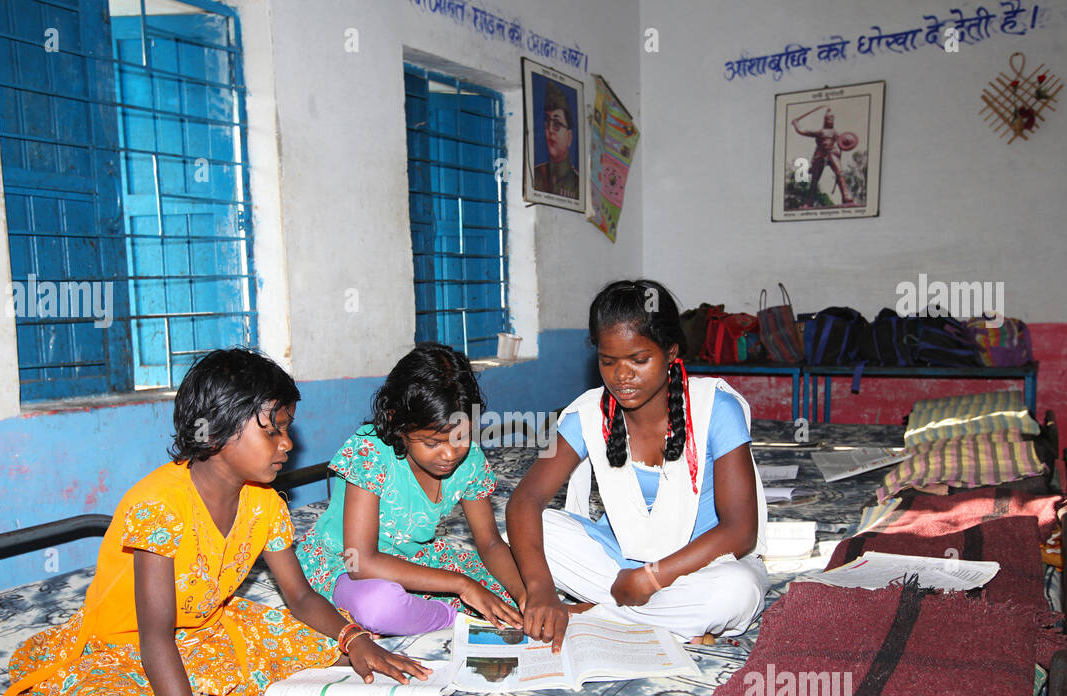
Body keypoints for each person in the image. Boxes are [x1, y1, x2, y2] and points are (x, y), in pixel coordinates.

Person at [0, 349, 429, 696]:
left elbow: (299, 597)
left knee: (343, 647)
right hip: (127, 645)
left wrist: (355, 639)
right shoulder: (160, 506)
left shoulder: (264, 503)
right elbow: (155, 635)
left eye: (287, 429)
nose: (288, 444)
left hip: (205, 630)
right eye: (273, 429)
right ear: (218, 430)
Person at [506, 279, 769, 649]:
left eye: (639, 360)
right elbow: (525, 499)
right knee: (524, 537)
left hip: (700, 568)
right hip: (618, 566)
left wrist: (652, 578)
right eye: (608, 361)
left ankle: (596, 614)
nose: (622, 375)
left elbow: (741, 531)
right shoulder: (585, 414)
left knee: (737, 592)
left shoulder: (715, 409)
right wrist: (540, 588)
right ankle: (668, 622)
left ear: (671, 351)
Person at [296, 343, 525, 636]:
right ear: (397, 422)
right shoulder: (372, 452)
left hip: (414, 561)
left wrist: (522, 594)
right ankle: (452, 618)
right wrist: (461, 584)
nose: (450, 454)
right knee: (378, 607)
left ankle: (423, 610)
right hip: (344, 562)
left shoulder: (471, 462)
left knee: (509, 594)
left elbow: (491, 543)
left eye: (462, 437)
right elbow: (361, 563)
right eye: (432, 443)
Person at [792, 106, 852, 204]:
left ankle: (846, 195)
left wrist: (846, 142)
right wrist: (796, 124)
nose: (830, 121)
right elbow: (803, 131)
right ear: (825, 120)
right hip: (820, 155)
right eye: (829, 119)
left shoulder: (835, 132)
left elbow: (844, 140)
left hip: (832, 153)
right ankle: (810, 201)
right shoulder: (820, 132)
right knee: (815, 179)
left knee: (839, 173)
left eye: (832, 119)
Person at [533, 80, 579, 200]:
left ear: (569, 137)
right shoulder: (536, 175)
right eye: (547, 123)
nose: (550, 130)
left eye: (557, 124)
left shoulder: (577, 185)